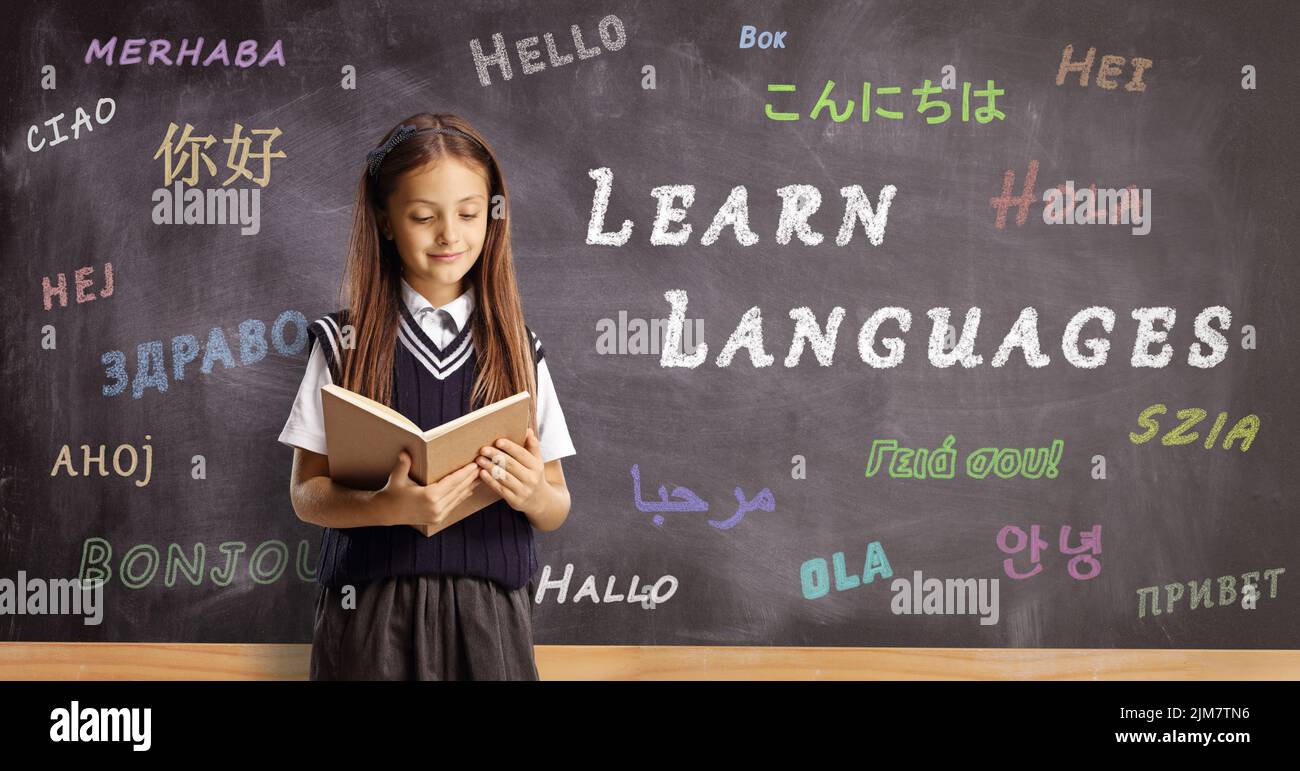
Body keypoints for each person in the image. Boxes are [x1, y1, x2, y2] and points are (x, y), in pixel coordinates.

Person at [277, 113, 577, 680]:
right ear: (387, 221)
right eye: (423, 216)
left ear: (491, 218)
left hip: (490, 614)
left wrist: (533, 491)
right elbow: (306, 493)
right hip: (368, 611)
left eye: (468, 214)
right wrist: (388, 507)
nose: (449, 235)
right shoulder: (344, 344)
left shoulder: (519, 347)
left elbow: (556, 503)